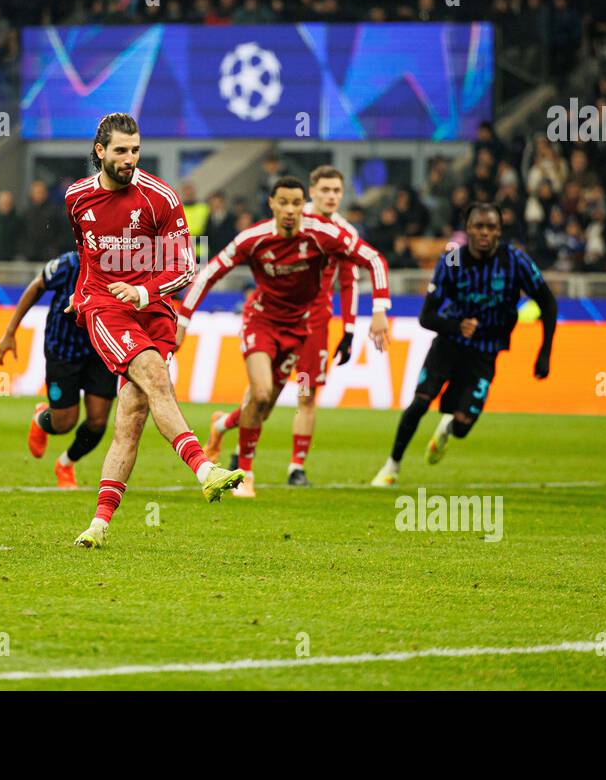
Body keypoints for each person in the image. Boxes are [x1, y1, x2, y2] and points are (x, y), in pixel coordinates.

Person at [66, 113, 242, 548]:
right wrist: (79, 293)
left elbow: (184, 265)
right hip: (105, 308)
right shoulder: (76, 199)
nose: (130, 159)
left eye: (136, 150)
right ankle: (206, 469)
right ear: (100, 151)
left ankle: (99, 524)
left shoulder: (159, 197)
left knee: (132, 416)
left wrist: (143, 293)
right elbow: (84, 252)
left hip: (152, 308)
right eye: (122, 151)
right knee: (154, 376)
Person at [176, 176, 391, 497]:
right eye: (284, 203)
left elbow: (373, 260)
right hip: (260, 321)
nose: (290, 210)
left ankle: (223, 426)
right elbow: (209, 272)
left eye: (295, 203)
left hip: (300, 329)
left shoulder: (326, 235)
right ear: (272, 204)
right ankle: (246, 472)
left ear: (302, 206)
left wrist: (377, 311)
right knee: (260, 394)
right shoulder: (254, 238)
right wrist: (182, 320)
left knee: (265, 407)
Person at [373, 203, 558, 486]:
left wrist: (545, 352)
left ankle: (447, 427)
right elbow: (427, 316)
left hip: (486, 352)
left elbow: (547, 302)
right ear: (468, 229)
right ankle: (391, 467)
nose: (484, 233)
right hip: (448, 345)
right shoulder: (452, 261)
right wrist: (455, 326)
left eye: (491, 227)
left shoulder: (514, 261)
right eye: (478, 226)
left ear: (499, 231)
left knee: (462, 425)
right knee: (420, 402)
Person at [203, 166, 362, 483]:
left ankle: (296, 467)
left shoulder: (344, 234)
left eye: (337, 191)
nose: (331, 197)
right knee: (262, 397)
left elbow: (349, 279)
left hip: (314, 324)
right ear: (311, 193)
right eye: (325, 190)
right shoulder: (291, 219)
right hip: (275, 318)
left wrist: (349, 327)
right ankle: (236, 443)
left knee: (305, 393)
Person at [0, 250, 117, 488]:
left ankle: (65, 464)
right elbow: (37, 286)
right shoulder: (70, 263)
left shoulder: (122, 265)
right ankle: (42, 418)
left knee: (98, 421)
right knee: (64, 422)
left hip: (100, 349)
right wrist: (10, 332)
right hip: (63, 350)